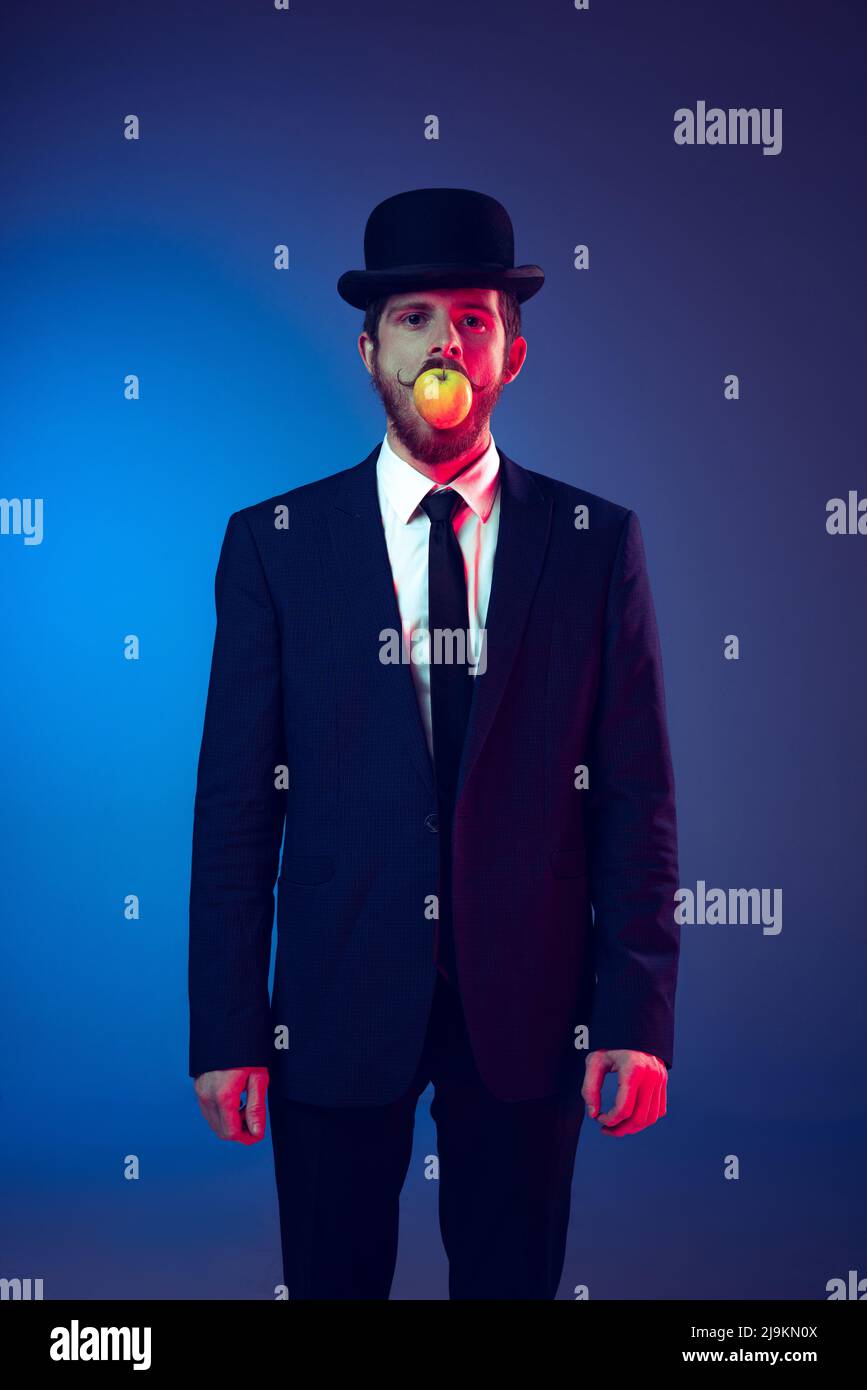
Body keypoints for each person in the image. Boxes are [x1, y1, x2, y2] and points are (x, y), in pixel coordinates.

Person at [188, 186, 680, 1300]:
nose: (444, 343)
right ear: (370, 350)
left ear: (511, 352)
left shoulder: (596, 545)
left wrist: (635, 1013)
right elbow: (234, 806)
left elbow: (635, 797)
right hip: (332, 996)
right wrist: (224, 1026)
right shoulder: (277, 547)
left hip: (531, 1004)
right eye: (415, 318)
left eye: (471, 317)